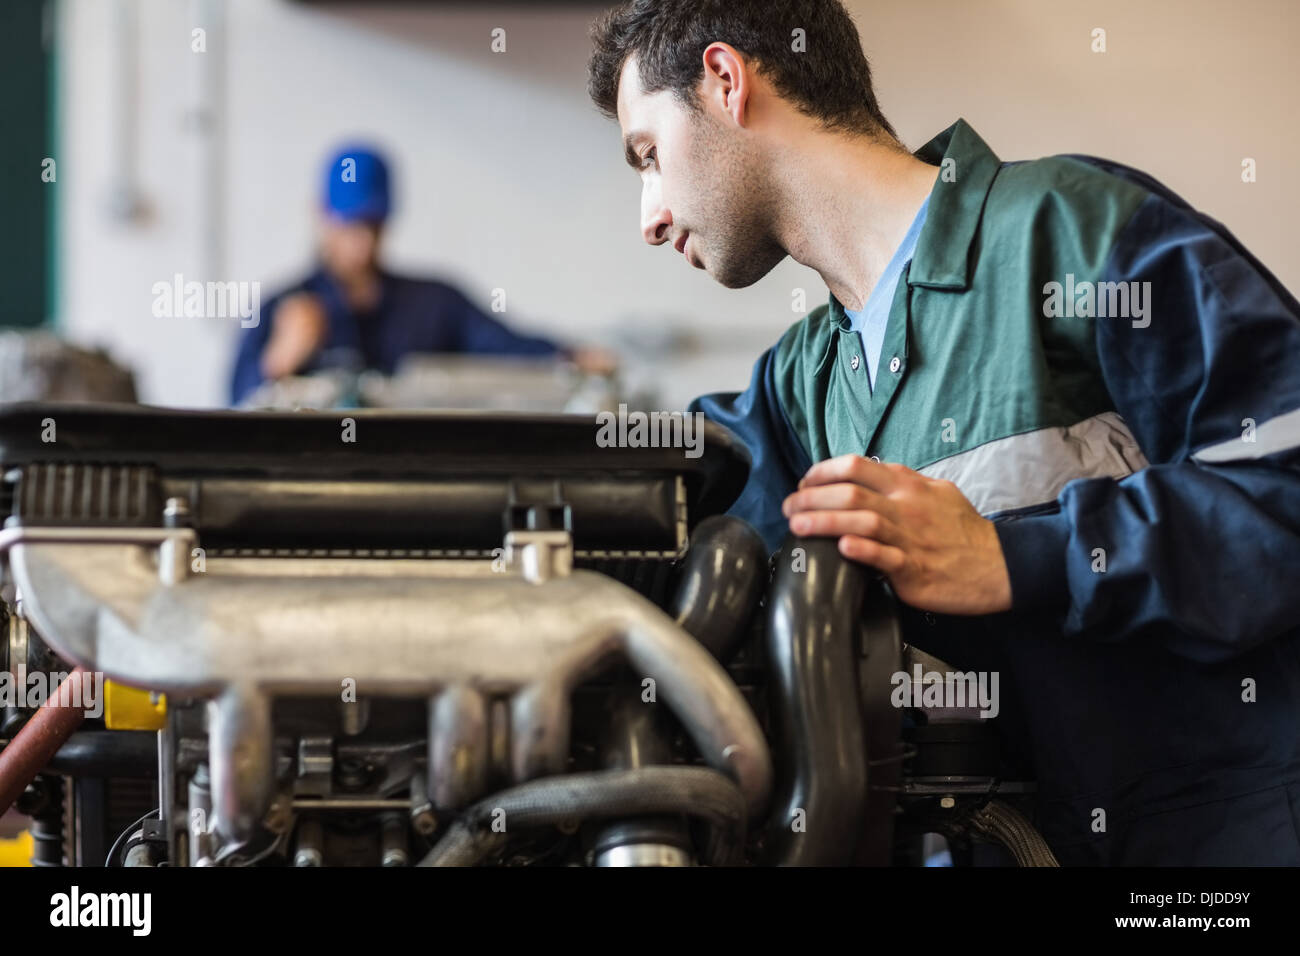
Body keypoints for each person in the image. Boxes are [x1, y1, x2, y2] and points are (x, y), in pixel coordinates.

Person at [587, 0, 1300, 865]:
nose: (649, 217)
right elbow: (659, 496)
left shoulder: (1065, 236)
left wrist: (1018, 559)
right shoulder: (803, 384)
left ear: (727, 81)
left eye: (649, 156)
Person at [230, 144, 612, 404]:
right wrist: (279, 361)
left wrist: (569, 357)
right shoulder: (281, 308)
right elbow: (231, 412)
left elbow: (504, 345)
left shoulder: (434, 303)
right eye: (351, 225)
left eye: (374, 226)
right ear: (320, 215)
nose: (362, 243)